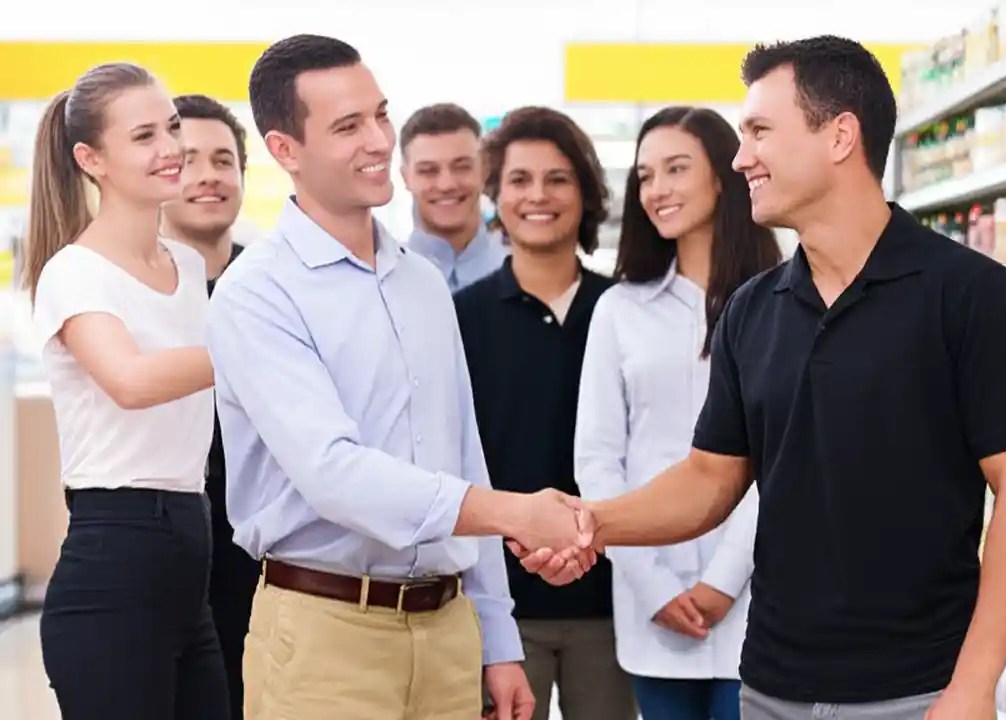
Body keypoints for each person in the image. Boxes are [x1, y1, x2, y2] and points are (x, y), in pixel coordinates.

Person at [517, 36, 1006, 720]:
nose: (741, 157)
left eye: (759, 132)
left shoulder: (970, 294)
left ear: (839, 136)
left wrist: (975, 685)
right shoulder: (753, 309)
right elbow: (710, 480)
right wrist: (592, 523)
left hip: (919, 692)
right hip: (771, 688)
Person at [205, 34, 590, 720]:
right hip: (326, 638)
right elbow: (333, 473)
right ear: (285, 149)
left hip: (446, 631)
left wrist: (497, 641)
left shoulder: (420, 282)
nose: (378, 139)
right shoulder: (257, 292)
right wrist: (516, 513)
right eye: (348, 126)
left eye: (380, 115)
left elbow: (464, 450)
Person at [24, 63, 228, 720]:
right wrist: (256, 351)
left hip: (190, 555)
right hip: (115, 562)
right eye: (144, 136)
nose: (171, 150)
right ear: (92, 159)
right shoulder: (73, 272)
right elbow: (132, 382)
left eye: (171, 129)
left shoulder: (191, 267)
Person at [575, 105, 781, 720]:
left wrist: (724, 578)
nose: (657, 189)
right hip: (650, 607)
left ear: (723, 175)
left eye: (676, 169)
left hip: (758, 600)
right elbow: (598, 460)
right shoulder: (619, 309)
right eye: (645, 176)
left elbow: (779, 457)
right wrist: (654, 585)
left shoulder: (782, 297)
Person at [454, 106, 637, 720]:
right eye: (520, 180)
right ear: (496, 197)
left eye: (558, 179)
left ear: (586, 193)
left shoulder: (625, 311)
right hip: (500, 613)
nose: (539, 195)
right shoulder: (459, 317)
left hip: (617, 605)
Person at [159, 92, 255, 720]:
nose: (207, 176)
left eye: (223, 159)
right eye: (187, 159)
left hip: (261, 559)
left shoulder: (273, 286)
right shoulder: (133, 288)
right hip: (163, 550)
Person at [401, 102, 507, 291]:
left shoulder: (523, 274)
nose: (447, 185)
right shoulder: (379, 281)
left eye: (462, 167)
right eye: (428, 170)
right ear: (405, 177)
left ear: (484, 170)